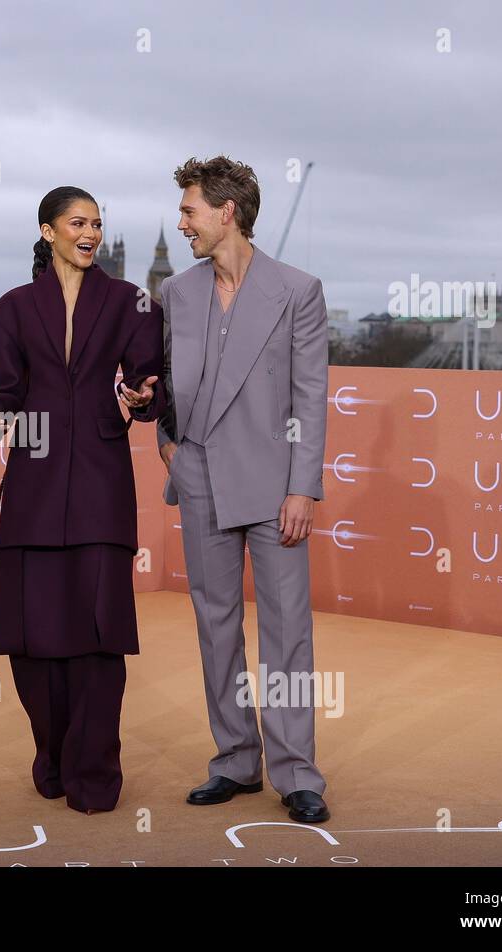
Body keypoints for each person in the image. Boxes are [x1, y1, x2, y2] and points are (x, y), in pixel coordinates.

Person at [154, 156, 331, 823]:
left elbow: (311, 397)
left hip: (274, 484)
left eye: (190, 209)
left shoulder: (297, 290)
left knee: (287, 633)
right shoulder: (176, 295)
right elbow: (159, 384)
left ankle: (296, 772)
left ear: (227, 211)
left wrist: (302, 488)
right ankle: (234, 759)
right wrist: (166, 444)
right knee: (215, 624)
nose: (182, 223)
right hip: (199, 478)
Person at [0, 186, 166, 814]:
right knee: (31, 641)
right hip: (32, 489)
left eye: (96, 223)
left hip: (100, 488)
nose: (89, 232)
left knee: (97, 638)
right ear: (47, 231)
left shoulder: (130, 302)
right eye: (77, 222)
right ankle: (53, 753)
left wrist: (141, 398)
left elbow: (148, 380)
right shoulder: (7, 311)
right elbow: (3, 397)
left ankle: (94, 771)